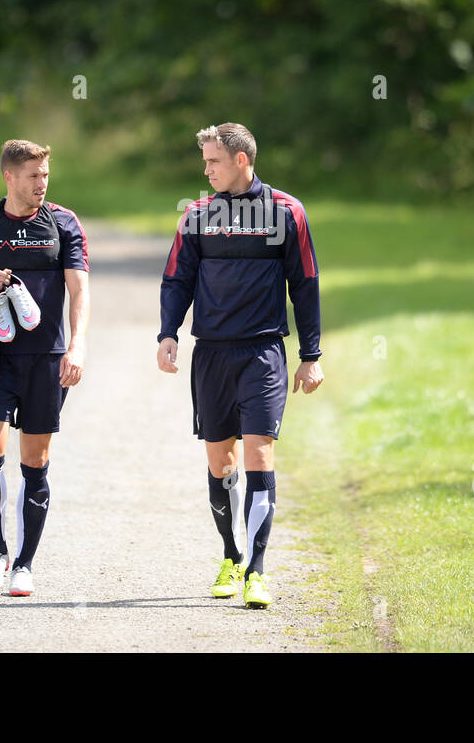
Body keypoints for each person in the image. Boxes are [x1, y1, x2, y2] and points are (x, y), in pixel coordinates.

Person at [157, 122, 323, 609]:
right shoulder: (197, 214)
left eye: (213, 161)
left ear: (241, 161)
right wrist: (168, 332)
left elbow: (306, 283)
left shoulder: (287, 212)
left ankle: (258, 570)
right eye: (205, 161)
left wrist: (311, 356)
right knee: (219, 461)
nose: (206, 170)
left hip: (263, 353)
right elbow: (176, 280)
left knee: (259, 455)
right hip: (211, 353)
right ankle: (230, 555)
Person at [0, 139, 89, 597]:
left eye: (45, 175)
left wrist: (77, 347)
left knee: (35, 459)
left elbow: (79, 291)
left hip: (47, 359)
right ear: (9, 176)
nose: (41, 184)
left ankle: (25, 564)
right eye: (32, 176)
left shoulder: (64, 224)